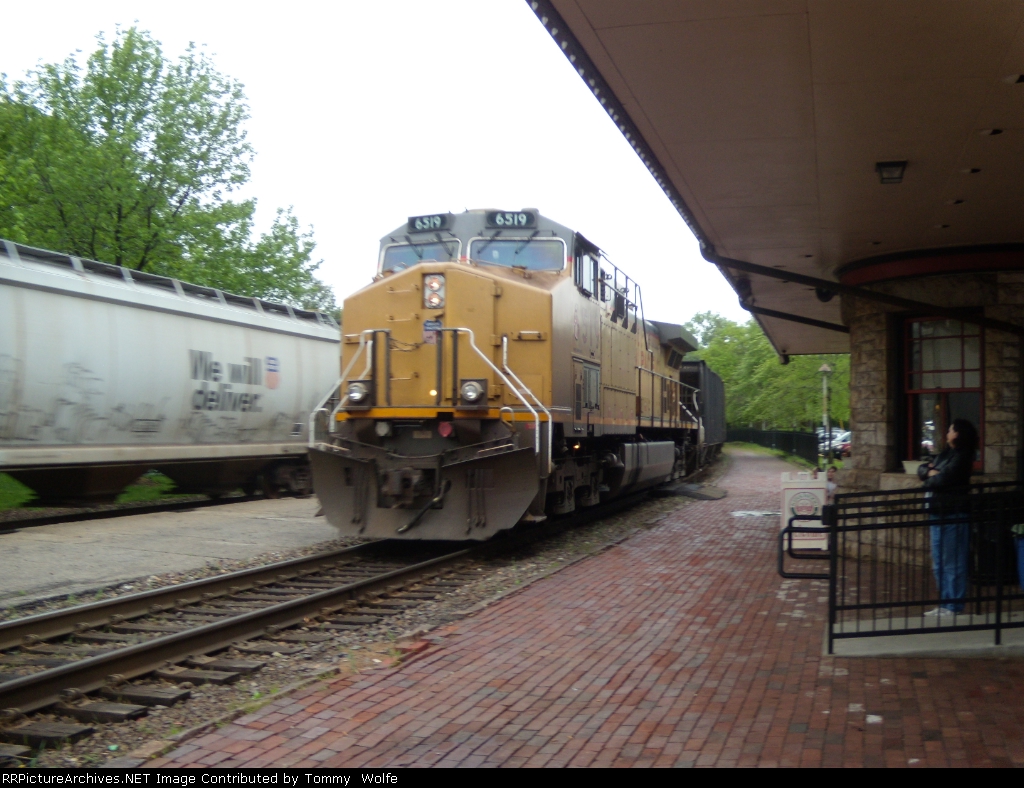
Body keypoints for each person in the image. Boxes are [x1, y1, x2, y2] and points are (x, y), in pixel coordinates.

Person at [916, 419, 978, 616]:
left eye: (950, 429)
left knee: (953, 561)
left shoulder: (963, 456)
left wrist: (932, 475)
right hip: (937, 513)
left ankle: (954, 605)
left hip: (954, 514)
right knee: (939, 561)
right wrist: (931, 473)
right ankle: (944, 603)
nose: (947, 431)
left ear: (958, 434)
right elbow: (923, 470)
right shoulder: (946, 453)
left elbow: (944, 479)